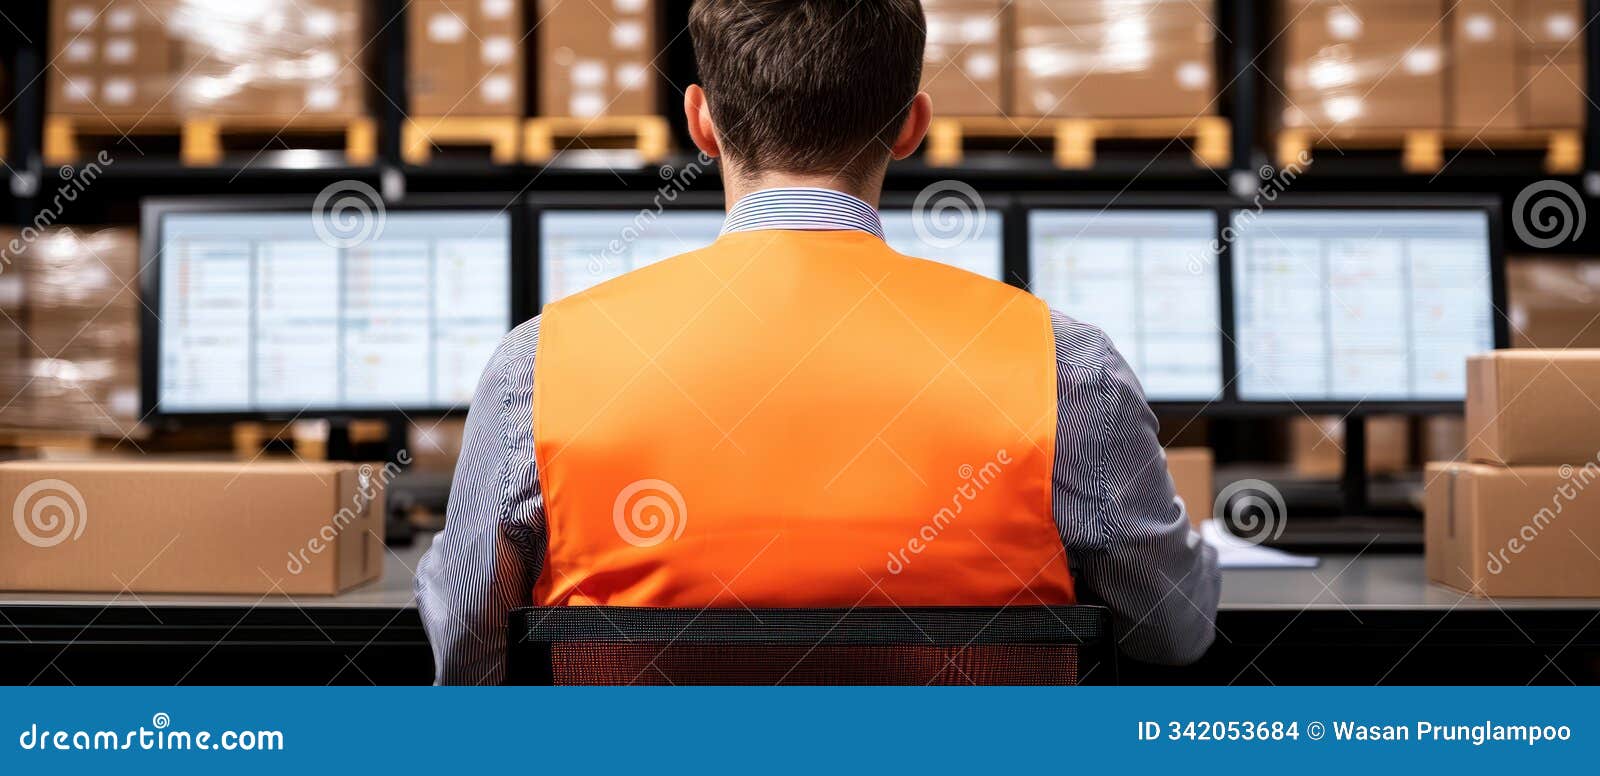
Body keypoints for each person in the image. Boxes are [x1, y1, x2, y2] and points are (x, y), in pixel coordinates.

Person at [417, 0, 1219, 685]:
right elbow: (1174, 631)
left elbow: (466, 654)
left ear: (701, 122)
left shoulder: (540, 364)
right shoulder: (1064, 366)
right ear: (911, 126)